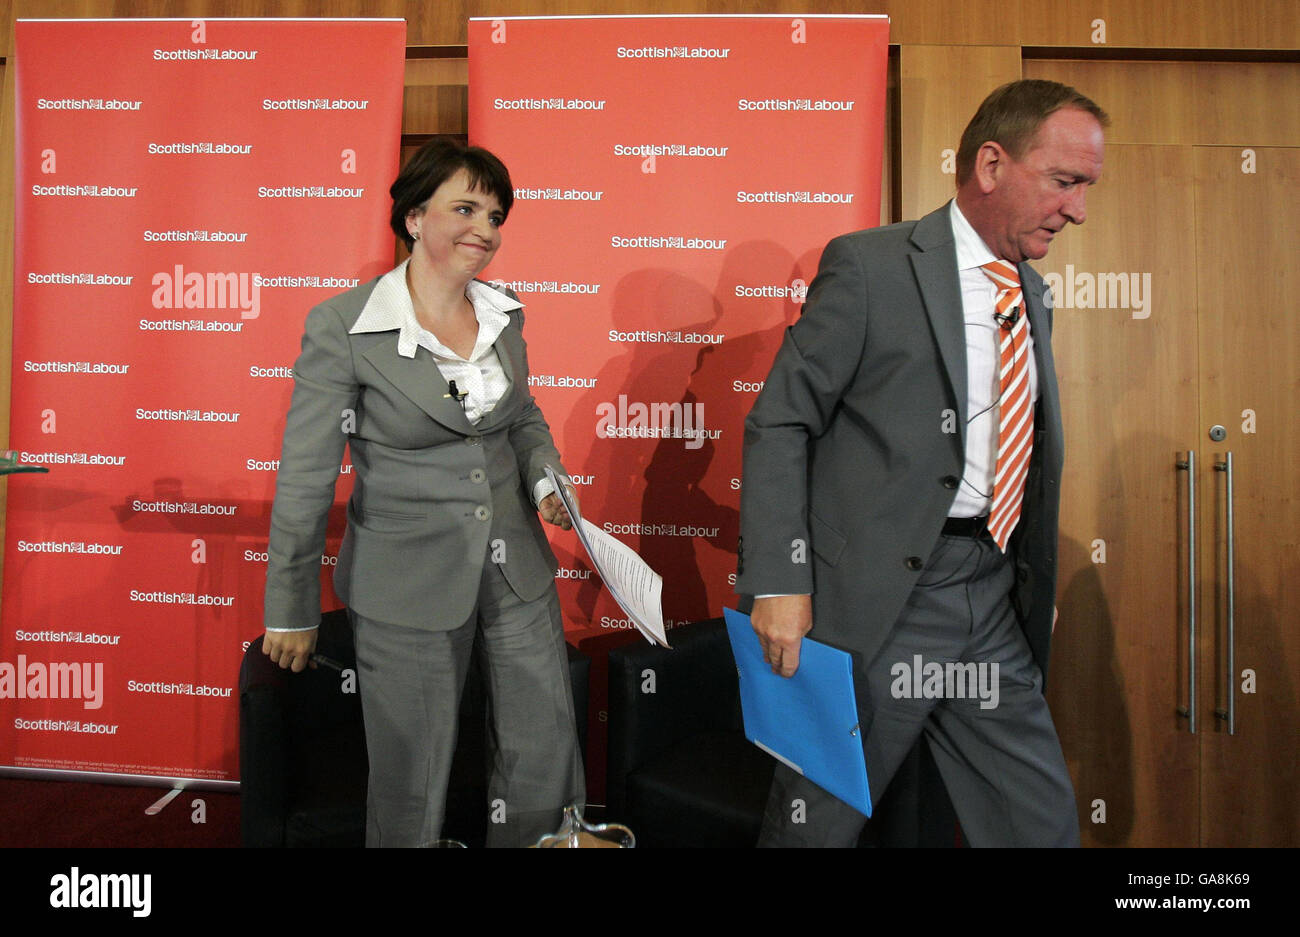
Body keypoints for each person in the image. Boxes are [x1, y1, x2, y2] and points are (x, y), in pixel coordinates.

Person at [736, 80, 1107, 847]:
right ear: (992, 164)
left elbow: (1022, 454)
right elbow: (780, 420)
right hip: (878, 602)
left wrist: (1028, 571)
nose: (1077, 209)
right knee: (816, 827)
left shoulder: (1031, 293)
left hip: (991, 599)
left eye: (1084, 188)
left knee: (1038, 825)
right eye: (1064, 182)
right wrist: (780, 578)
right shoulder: (871, 268)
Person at [261, 139, 585, 847]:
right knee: (412, 773)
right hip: (405, 581)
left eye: (495, 214)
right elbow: (307, 475)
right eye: (465, 207)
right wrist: (289, 604)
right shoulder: (344, 326)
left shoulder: (505, 314)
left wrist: (544, 477)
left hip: (516, 568)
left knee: (544, 751)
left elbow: (523, 417)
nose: (486, 229)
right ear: (413, 218)